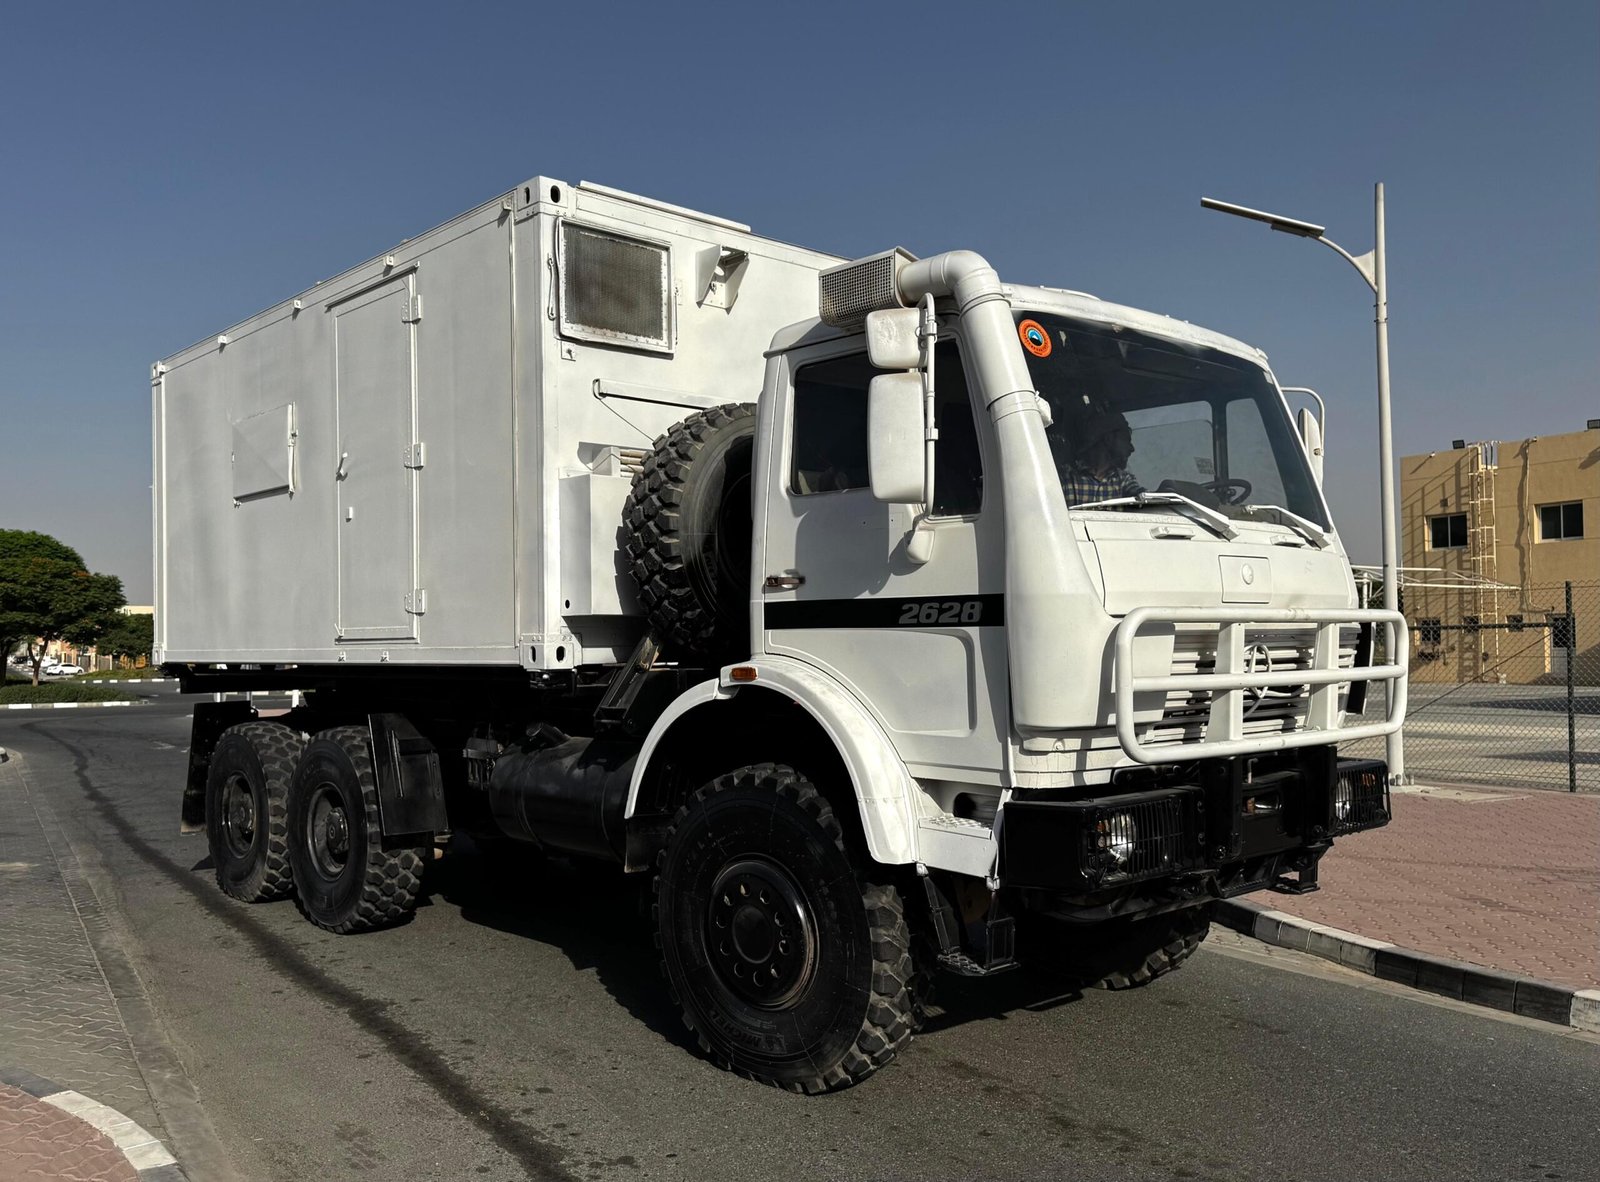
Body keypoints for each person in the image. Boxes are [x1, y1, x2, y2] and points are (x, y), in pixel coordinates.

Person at [1058, 409, 1143, 505]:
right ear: (1108, 439)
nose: (1132, 448)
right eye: (1126, 440)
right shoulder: (1066, 477)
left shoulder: (1123, 479)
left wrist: (1157, 494)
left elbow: (1140, 496)